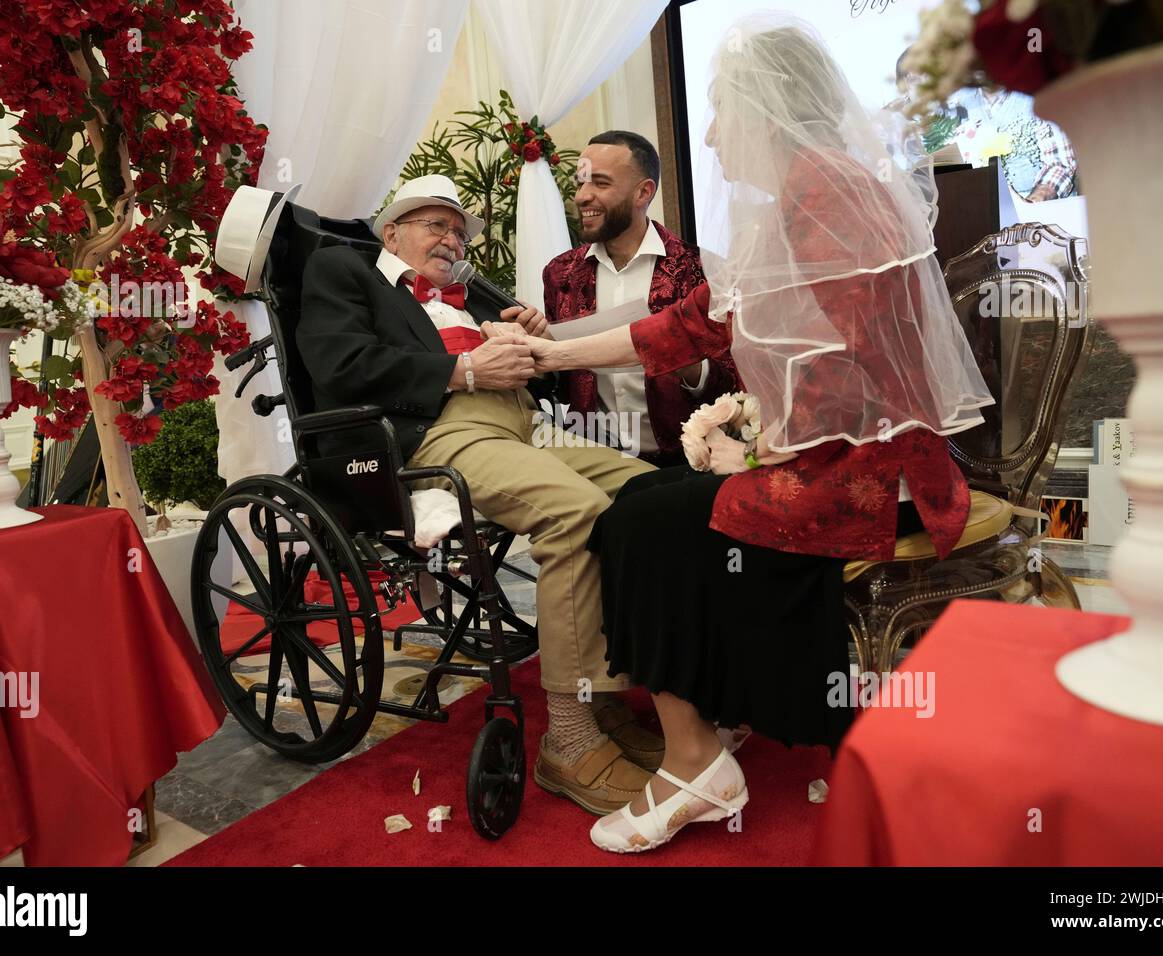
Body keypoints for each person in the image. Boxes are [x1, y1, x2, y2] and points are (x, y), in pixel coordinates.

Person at [495, 15, 993, 852]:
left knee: (638, 524)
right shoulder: (813, 189)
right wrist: (551, 350)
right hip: (853, 457)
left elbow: (859, 368)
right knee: (654, 494)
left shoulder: (824, 194)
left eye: (724, 110)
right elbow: (690, 328)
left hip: (879, 476)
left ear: (769, 111)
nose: (716, 134)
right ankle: (715, 714)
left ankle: (693, 761)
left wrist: (757, 445)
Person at [297, 174, 661, 815]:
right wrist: (462, 369)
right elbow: (339, 365)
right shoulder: (345, 270)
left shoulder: (469, 299)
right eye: (435, 224)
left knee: (652, 496)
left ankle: (605, 704)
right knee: (578, 514)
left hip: (525, 423)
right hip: (436, 431)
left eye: (458, 230)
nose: (451, 237)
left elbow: (539, 380)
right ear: (392, 233)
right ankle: (570, 741)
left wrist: (528, 338)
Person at [540, 130, 739, 466]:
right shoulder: (560, 274)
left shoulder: (701, 270)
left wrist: (687, 364)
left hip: (687, 465)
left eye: (600, 183)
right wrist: (536, 341)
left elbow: (734, 386)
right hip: (597, 462)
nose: (582, 196)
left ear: (643, 192)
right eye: (580, 183)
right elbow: (563, 385)